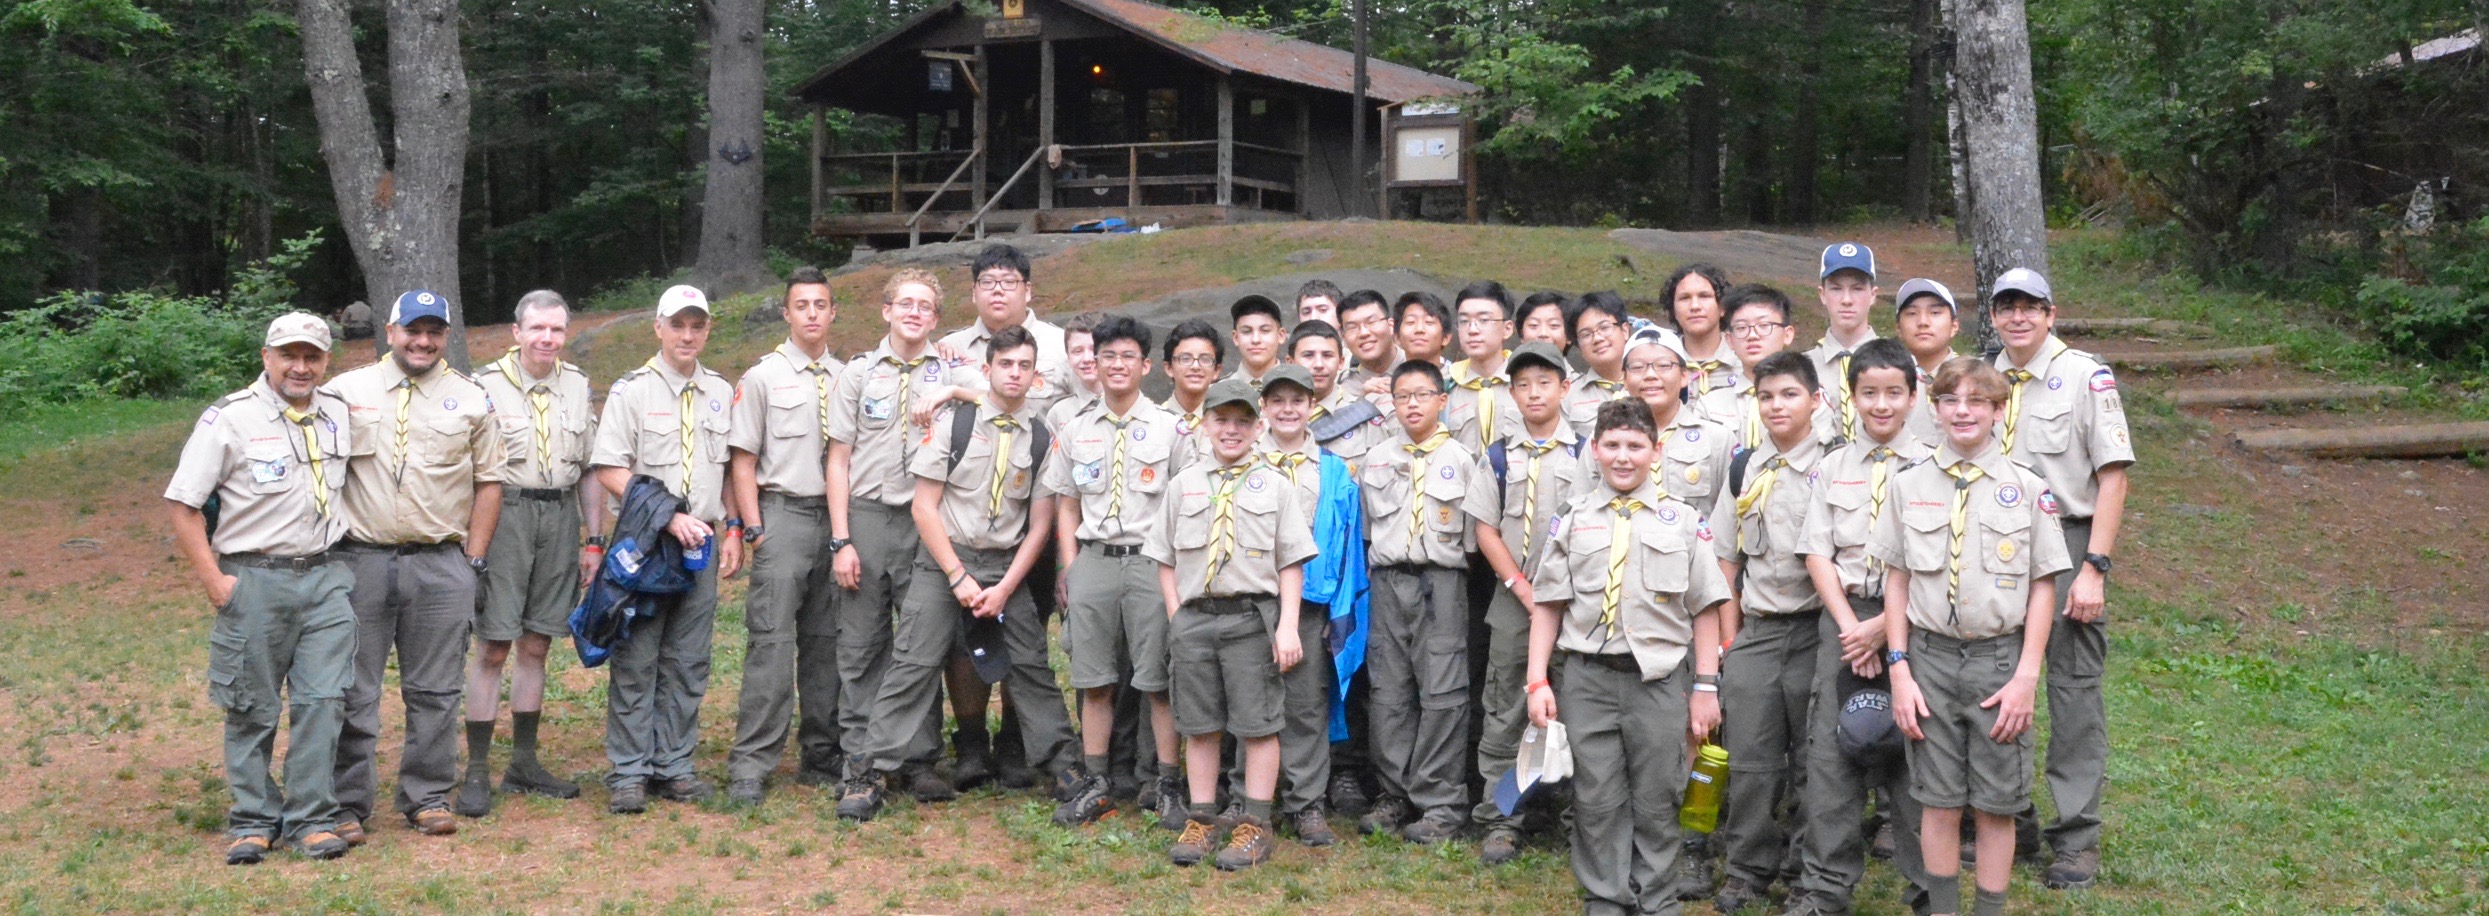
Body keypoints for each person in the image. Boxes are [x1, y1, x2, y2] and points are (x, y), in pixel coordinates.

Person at [1874, 357, 2071, 916]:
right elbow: (1897, 580)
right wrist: (1900, 668)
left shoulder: (2027, 489)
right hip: (1929, 660)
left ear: (1997, 412)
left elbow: (2042, 587)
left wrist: (2026, 676)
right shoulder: (1907, 485)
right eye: (1951, 400)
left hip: (1999, 663)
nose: (1964, 411)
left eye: (1977, 401)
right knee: (1936, 803)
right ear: (1934, 410)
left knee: (1995, 805)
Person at [841, 325, 1061, 821]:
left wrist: (1005, 587)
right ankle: (870, 771)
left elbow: (1040, 524)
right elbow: (924, 508)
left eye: (1025, 366)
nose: (1015, 374)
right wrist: (958, 576)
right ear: (987, 370)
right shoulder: (956, 424)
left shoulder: (1043, 435)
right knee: (913, 663)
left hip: (1007, 566)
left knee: (1031, 666)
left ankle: (1063, 764)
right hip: (944, 562)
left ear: (1035, 373)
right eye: (1006, 364)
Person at [1525, 398, 1732, 916]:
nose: (1623, 457)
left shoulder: (1682, 521)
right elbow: (1548, 607)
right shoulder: (1573, 521)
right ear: (1594, 450)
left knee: (1660, 794)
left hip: (1658, 683)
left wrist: (1705, 686)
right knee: (1595, 796)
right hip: (1588, 679)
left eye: (1635, 446)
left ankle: (1656, 896)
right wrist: (1536, 682)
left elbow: (1705, 608)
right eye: (1612, 445)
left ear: (1655, 452)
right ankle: (1606, 895)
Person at [166, 313, 358, 864]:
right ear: (266, 357)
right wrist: (216, 584)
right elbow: (183, 505)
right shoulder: (229, 419)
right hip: (253, 578)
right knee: (251, 706)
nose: (301, 367)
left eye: (313, 357)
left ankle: (311, 819)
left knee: (324, 702)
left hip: (325, 578)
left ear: (325, 362)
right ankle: (252, 820)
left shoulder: (338, 414)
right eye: (289, 355)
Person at [330, 290, 509, 841]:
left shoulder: (472, 398)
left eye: (434, 331)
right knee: (351, 689)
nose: (423, 341)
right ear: (390, 330)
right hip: (360, 560)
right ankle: (346, 803)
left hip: (439, 564)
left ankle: (428, 795)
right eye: (413, 330)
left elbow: (491, 480)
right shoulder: (344, 393)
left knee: (435, 690)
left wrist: (473, 557)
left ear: (446, 336)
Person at [1985, 268, 2134, 890]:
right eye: (2006, 307)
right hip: (1998, 543)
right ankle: (2007, 816)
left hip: (2067, 540)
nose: (2018, 317)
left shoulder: (2083, 375)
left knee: (2072, 690)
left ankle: (2076, 836)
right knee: (1994, 679)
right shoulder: (1987, 376)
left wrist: (2094, 568)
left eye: (2030, 307)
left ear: (2052, 313)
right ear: (1993, 315)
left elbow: (2114, 475)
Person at [1788, 338, 1937, 915]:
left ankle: (1929, 887)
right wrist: (1854, 628)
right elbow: (1817, 553)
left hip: (1912, 622)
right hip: (1843, 621)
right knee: (1832, 753)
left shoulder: (1933, 466)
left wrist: (1882, 628)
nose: (1881, 405)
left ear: (1913, 396)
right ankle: (1826, 890)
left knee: (1914, 751)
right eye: (1869, 393)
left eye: (1893, 393)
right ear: (1851, 398)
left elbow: (1937, 563)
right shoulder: (1832, 467)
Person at [587, 284, 742, 814]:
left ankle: (674, 765)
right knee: (638, 656)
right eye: (678, 325)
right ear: (659, 328)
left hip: (701, 544)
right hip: (647, 545)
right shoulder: (632, 392)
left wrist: (734, 529)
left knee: (689, 660)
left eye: (697, 325)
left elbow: (725, 471)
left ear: (707, 330)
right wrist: (667, 517)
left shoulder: (722, 392)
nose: (687, 335)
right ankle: (629, 771)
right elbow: (609, 467)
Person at [1152, 378, 1316, 871]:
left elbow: (1291, 562)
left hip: (1250, 618)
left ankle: (1254, 823)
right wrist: (1176, 613)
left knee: (1258, 724)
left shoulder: (1276, 485)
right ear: (1205, 425)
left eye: (1243, 422)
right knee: (1200, 724)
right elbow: (1163, 556)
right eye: (1221, 420)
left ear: (1258, 427)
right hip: (1196, 619)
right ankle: (1202, 817)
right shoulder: (1184, 485)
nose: (1231, 430)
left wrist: (1287, 626)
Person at [826, 268, 974, 802]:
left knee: (921, 643)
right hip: (868, 516)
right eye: (904, 303)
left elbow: (1002, 408)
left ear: (937, 318)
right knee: (862, 645)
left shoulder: (956, 374)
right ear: (886, 311)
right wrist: (841, 540)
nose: (914, 312)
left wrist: (958, 383)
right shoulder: (858, 373)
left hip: (927, 522)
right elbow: (838, 459)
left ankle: (918, 758)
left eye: (925, 306)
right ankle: (861, 758)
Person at [1045, 316, 1189, 828]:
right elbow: (1065, 502)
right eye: (1108, 356)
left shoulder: (1173, 430)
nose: (1117, 365)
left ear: (1147, 366)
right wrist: (1071, 565)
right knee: (1094, 678)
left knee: (1157, 679)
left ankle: (1167, 782)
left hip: (1151, 564)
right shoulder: (1075, 429)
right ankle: (1096, 781)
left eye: (1128, 356)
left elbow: (1186, 503)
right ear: (1095, 364)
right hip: (1095, 561)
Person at [460, 290, 598, 818]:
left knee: (537, 643)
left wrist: (592, 539)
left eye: (557, 330)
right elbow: (469, 471)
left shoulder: (578, 385)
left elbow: (586, 468)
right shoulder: (483, 387)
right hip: (505, 517)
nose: (547, 339)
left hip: (560, 517)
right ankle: (475, 771)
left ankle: (523, 762)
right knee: (495, 646)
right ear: (516, 332)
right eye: (537, 329)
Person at [1705, 351, 1831, 914]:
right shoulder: (1745, 467)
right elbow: (1726, 562)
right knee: (1749, 757)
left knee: (1815, 760)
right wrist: (1731, 639)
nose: (1776, 406)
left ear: (1815, 400)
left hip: (1817, 630)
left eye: (1789, 395)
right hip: (1756, 628)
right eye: (1766, 397)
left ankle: (1809, 871)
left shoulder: (1836, 464)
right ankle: (1746, 869)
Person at [1462, 342, 1595, 865]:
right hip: (1516, 603)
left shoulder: (1589, 450)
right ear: (1511, 393)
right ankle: (1503, 817)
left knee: (1579, 705)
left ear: (1565, 388)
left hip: (1579, 603)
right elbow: (1485, 527)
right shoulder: (1498, 455)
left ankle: (1577, 817)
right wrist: (1519, 584)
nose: (1534, 392)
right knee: (1506, 707)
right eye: (1523, 384)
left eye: (1545, 382)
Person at [722, 267, 844, 806]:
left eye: (821, 304)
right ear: (787, 314)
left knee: (828, 644)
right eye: (802, 305)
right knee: (771, 645)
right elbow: (741, 461)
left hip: (837, 522)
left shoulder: (848, 377)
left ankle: (822, 751)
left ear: (833, 312)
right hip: (783, 516)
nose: (812, 313)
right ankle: (752, 761)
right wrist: (754, 529)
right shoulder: (763, 377)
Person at [1355, 359, 1477, 843]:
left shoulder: (1464, 459)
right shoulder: (1376, 458)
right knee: (1389, 690)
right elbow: (1368, 530)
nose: (1412, 404)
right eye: (1403, 395)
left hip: (1442, 583)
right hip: (1387, 581)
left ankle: (1441, 802)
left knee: (1443, 693)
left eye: (1422, 395)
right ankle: (1393, 794)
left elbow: (1472, 538)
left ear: (1442, 400)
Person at [1255, 363, 1356, 847]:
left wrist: (1336, 611)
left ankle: (1306, 801)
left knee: (1305, 704)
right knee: (1248, 697)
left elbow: (1347, 542)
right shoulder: (1246, 462)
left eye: (1297, 400)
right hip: (1252, 599)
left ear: (1311, 406)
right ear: (1264, 407)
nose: (1288, 409)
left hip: (1312, 602)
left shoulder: (1333, 471)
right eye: (1278, 401)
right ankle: (1246, 797)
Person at [1804, 243, 1882, 443]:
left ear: (1873, 295)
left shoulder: (1898, 363)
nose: (1847, 300)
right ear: (1822, 294)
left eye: (1857, 289)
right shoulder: (1803, 368)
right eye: (1836, 289)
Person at [1446, 281, 1520, 455]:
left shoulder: (1526, 381)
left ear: (1507, 329)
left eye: (1484, 320)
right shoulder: (1443, 384)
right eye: (1464, 321)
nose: (1472, 329)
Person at [1893, 279, 1962, 446]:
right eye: (1911, 313)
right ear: (1898, 328)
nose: (1923, 322)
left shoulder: (1974, 377)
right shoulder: (1889, 381)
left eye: (1935, 312)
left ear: (1954, 326)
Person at [1563, 292, 1636, 438]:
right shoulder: (1567, 396)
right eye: (1586, 334)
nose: (1597, 338)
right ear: (1579, 348)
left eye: (1604, 327)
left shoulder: (1651, 384)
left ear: (1625, 331)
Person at [1666, 263, 1740, 398]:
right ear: (1674, 310)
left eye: (1704, 296)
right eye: (1684, 298)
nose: (1695, 306)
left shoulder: (1744, 362)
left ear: (1723, 306)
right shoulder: (1661, 364)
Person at [1161, 318, 1226, 464]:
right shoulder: (1155, 422)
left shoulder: (1228, 425)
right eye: (1185, 358)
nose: (1195, 366)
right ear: (1169, 368)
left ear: (1217, 370)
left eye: (1205, 359)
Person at [1337, 289, 1402, 399]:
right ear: (1344, 338)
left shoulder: (1422, 366)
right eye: (1352, 327)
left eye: (1371, 322)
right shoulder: (1343, 388)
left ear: (1391, 326)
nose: (1363, 333)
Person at [1230, 294, 1288, 390]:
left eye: (1265, 330)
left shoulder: (1299, 390)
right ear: (1236, 338)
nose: (1255, 340)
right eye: (1246, 331)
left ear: (1281, 335)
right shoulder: (1217, 393)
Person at [1393, 291, 1454, 371]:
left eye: (1429, 322)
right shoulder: (1389, 382)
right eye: (1410, 322)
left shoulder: (1459, 382)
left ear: (1445, 338)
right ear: (1397, 337)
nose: (1419, 329)